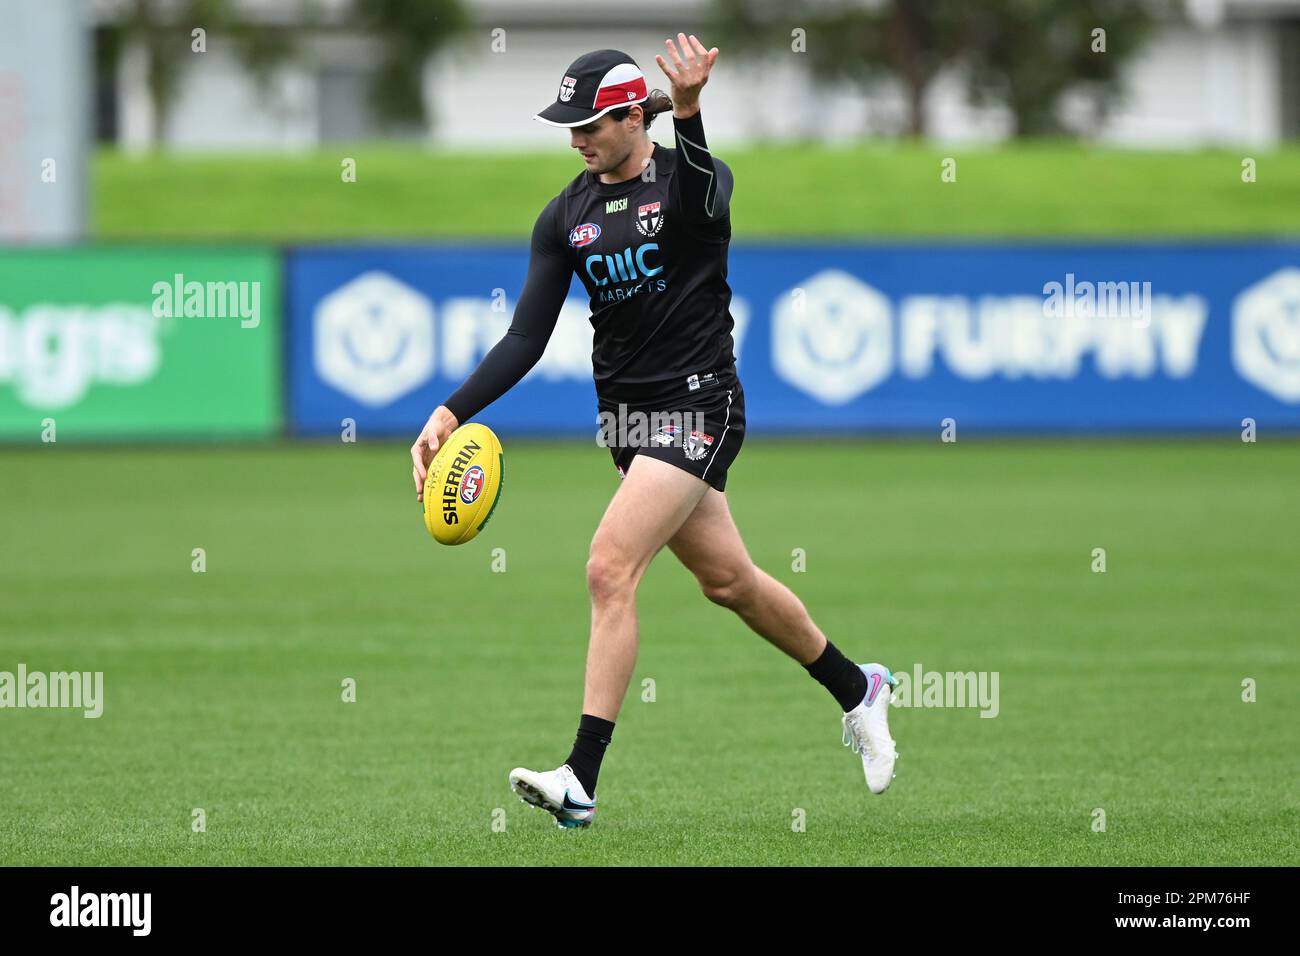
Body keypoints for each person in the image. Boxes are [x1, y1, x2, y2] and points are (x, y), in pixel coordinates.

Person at [410, 35, 898, 829]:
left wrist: (694, 111)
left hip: (703, 404)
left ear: (637, 117)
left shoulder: (690, 180)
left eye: (589, 125)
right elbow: (525, 339)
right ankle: (858, 687)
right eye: (568, 127)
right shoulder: (564, 215)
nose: (576, 140)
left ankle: (580, 778)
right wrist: (450, 410)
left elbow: (707, 202)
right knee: (730, 584)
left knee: (609, 567)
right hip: (629, 423)